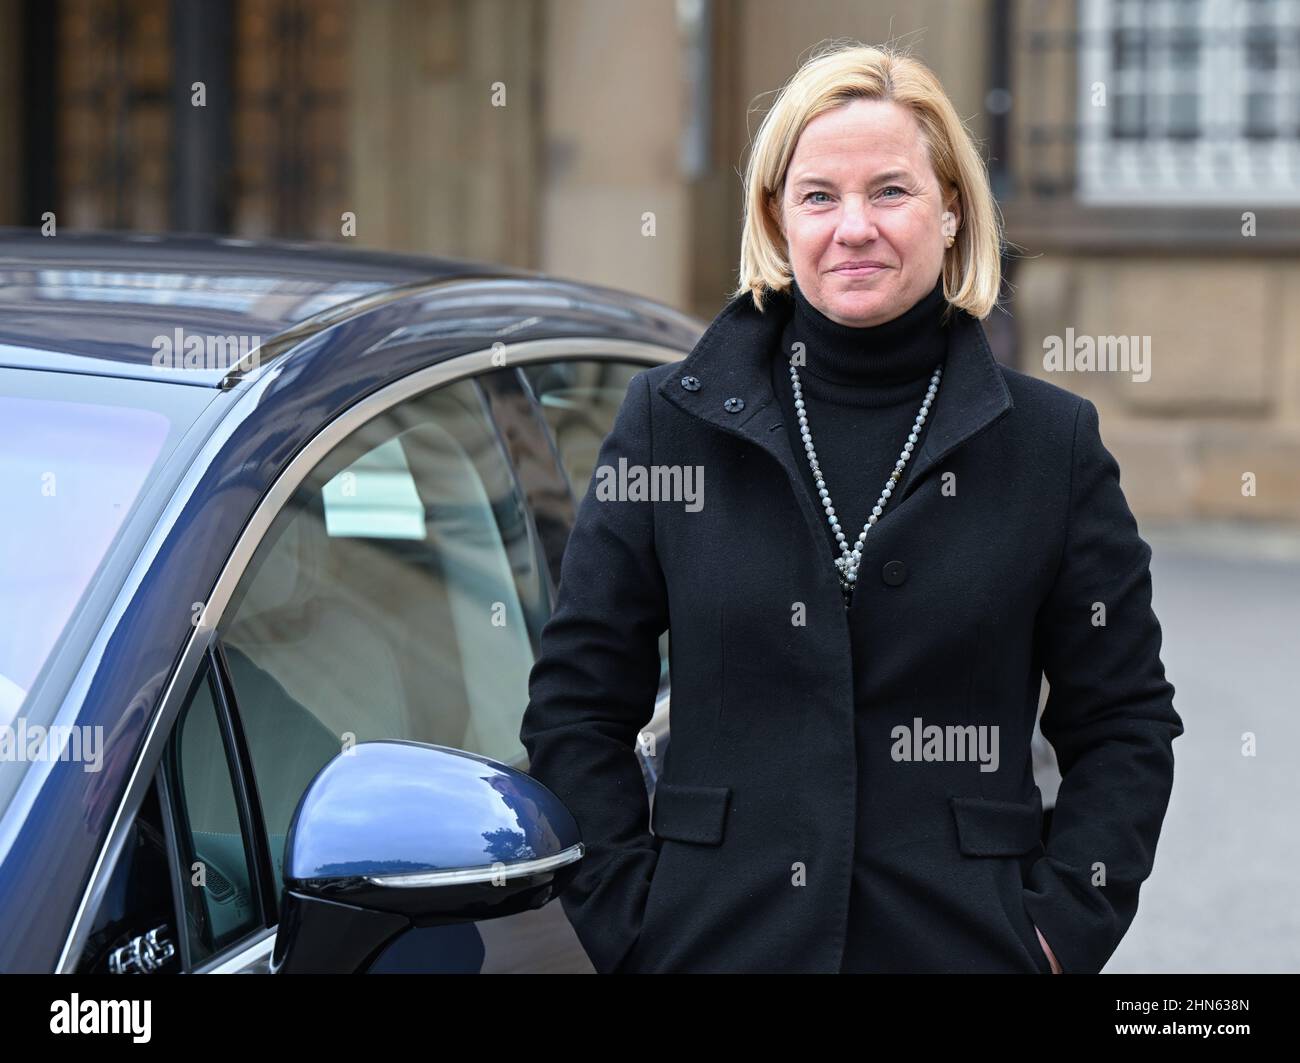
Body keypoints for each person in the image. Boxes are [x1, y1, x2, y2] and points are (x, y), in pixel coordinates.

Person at [519, 41, 1183, 974]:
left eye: (892, 191)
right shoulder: (671, 424)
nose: (854, 226)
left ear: (951, 211)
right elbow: (578, 704)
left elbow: (1124, 721)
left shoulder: (1050, 446)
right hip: (714, 945)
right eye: (819, 195)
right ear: (777, 218)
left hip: (962, 946)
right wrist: (633, 924)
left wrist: (1059, 930)